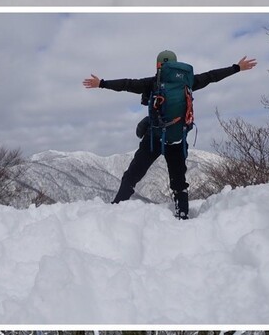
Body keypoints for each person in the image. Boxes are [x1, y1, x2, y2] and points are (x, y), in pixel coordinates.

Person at [83, 50, 257, 219]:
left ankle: (116, 208)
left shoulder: (152, 83)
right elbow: (211, 77)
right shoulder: (189, 82)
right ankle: (182, 215)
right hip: (177, 139)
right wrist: (236, 68)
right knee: (179, 181)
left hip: (154, 138)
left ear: (159, 65)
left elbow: (128, 84)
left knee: (132, 175)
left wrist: (102, 83)